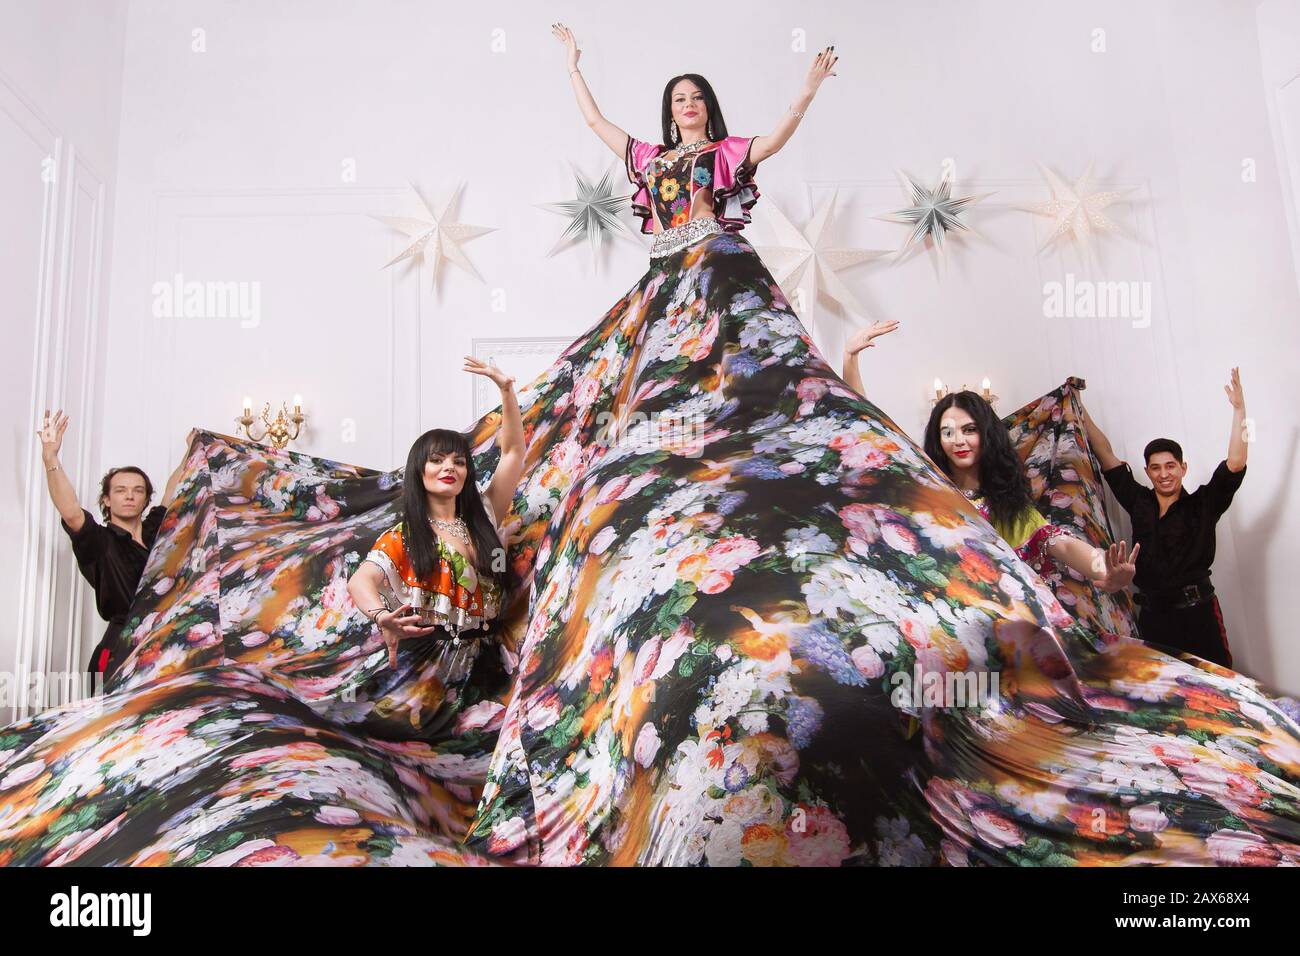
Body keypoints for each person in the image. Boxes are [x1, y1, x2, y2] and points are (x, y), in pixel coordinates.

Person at [348, 356, 525, 674]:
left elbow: (513, 453)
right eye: (437, 460)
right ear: (420, 472)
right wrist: (380, 616)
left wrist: (507, 391)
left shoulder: (482, 515)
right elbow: (360, 580)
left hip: (487, 665)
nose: (449, 467)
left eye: (458, 461)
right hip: (428, 668)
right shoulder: (406, 535)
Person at [1081, 368, 1248, 667]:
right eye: (1156, 468)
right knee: (1166, 695)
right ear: (1147, 472)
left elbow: (1236, 462)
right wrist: (1077, 404)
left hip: (1199, 614)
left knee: (1218, 687)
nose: (1164, 474)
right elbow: (1104, 453)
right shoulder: (1139, 501)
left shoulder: (1204, 503)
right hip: (1155, 619)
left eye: (1170, 466)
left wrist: (1239, 410)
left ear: (1183, 468)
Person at [923, 391, 1139, 591]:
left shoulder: (1004, 506)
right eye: (948, 432)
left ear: (987, 434)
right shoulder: (924, 495)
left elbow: (1061, 544)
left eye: (970, 430)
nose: (959, 441)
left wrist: (1105, 568)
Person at [38, 408, 192, 677]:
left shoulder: (156, 530)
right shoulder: (99, 541)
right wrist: (50, 457)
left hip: (162, 650)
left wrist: (191, 450)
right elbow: (71, 511)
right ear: (107, 500)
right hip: (118, 653)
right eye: (120, 490)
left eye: (138, 491)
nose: (130, 496)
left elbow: (171, 490)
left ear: (145, 499)